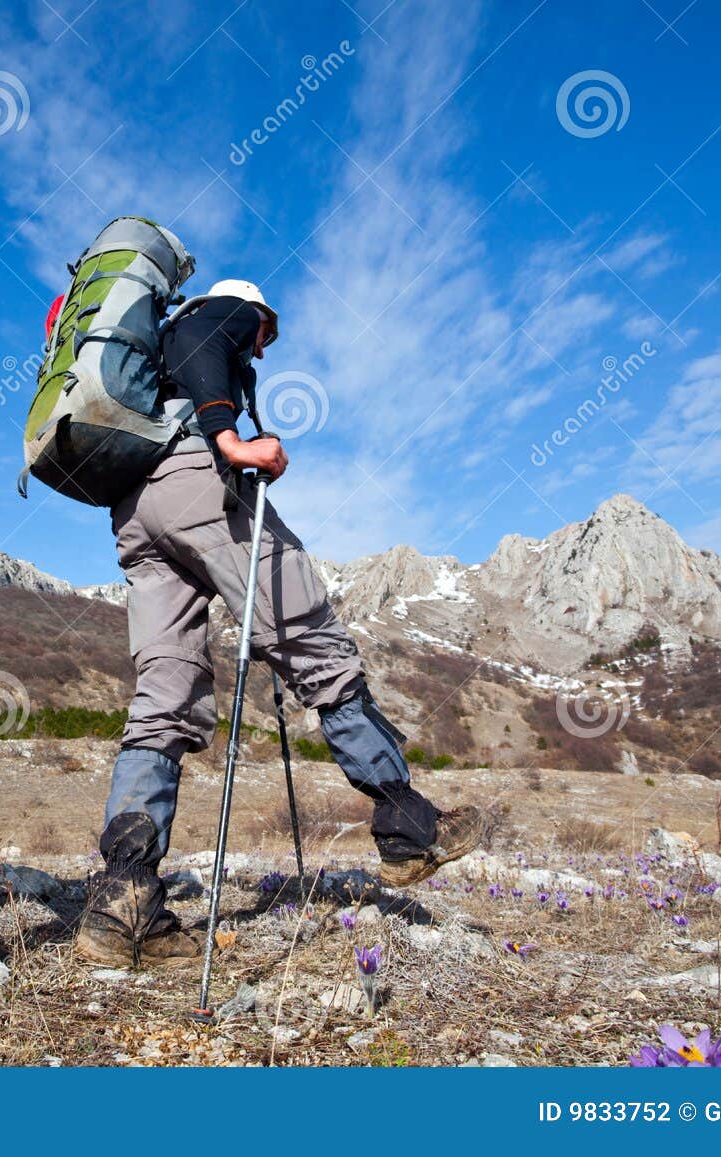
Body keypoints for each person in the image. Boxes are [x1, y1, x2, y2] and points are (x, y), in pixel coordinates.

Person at [74, 280, 487, 967]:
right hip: (194, 477)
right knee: (314, 641)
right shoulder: (220, 312)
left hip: (134, 508)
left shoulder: (144, 360)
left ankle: (122, 901)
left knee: (164, 694)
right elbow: (202, 337)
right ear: (258, 312)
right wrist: (233, 442)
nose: (265, 343)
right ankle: (409, 827)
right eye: (269, 331)